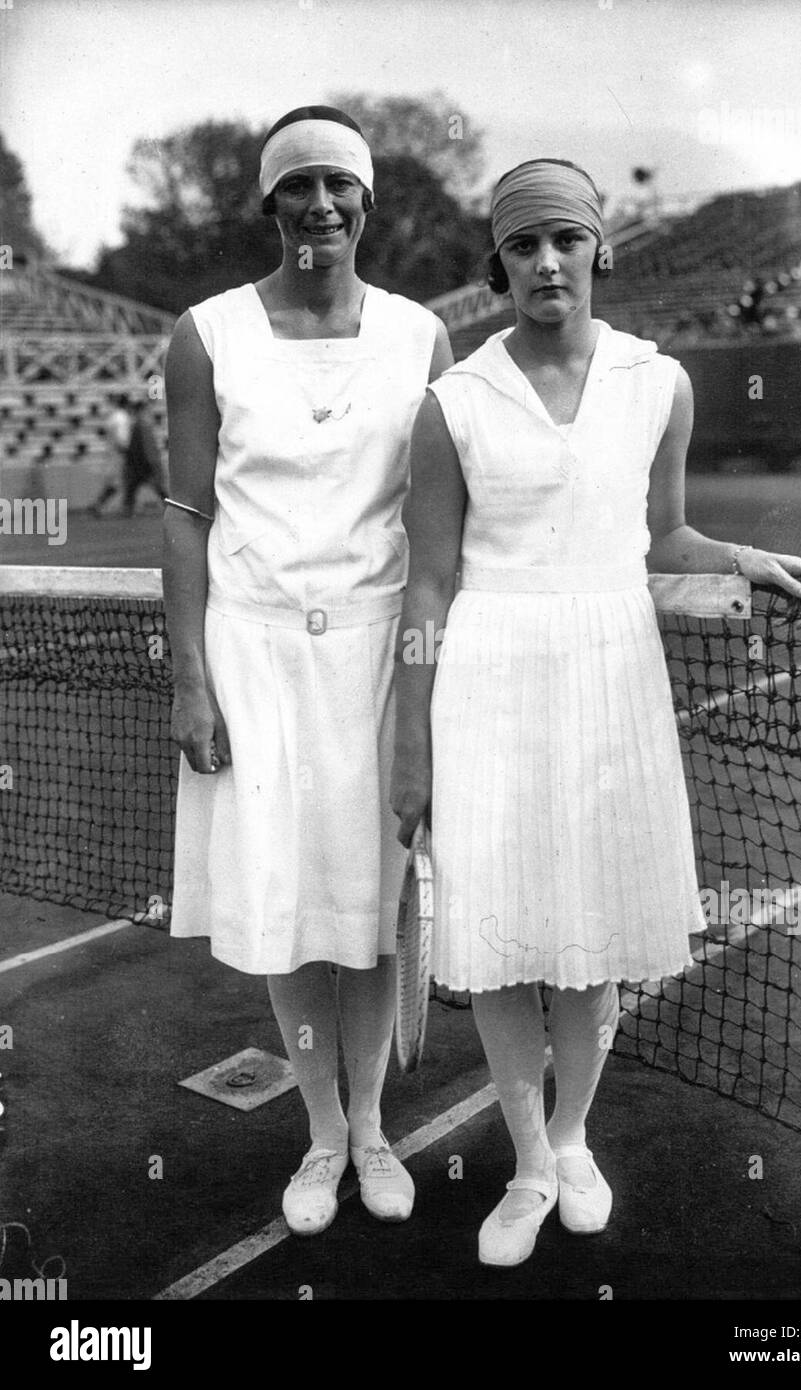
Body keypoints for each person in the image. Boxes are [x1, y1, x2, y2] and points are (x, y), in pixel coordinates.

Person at [391, 158, 801, 1268]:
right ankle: (527, 1160)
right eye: (523, 245)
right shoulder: (451, 403)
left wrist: (736, 554)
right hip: (487, 673)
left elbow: (662, 534)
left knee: (588, 942)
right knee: (498, 941)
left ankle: (573, 1137)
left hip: (611, 671)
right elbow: (428, 585)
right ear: (499, 264)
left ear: (597, 250)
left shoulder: (657, 380)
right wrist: (412, 740)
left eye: (564, 242)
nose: (545, 263)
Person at [163, 106, 452, 1237]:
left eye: (340, 185)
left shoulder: (423, 334)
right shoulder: (205, 332)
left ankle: (372, 1126)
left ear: (367, 203)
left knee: (370, 911)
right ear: (270, 204)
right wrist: (190, 676)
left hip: (382, 654)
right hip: (253, 651)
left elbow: (436, 532)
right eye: (299, 187)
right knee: (286, 913)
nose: (320, 206)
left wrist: (433, 683)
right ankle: (321, 1135)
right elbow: (185, 513)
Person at [88, 393, 131, 516]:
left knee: (117, 483)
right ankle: (100, 505)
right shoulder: (122, 417)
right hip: (119, 454)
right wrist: (127, 452)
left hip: (112, 453)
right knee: (119, 482)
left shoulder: (114, 416)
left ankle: (100, 504)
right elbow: (122, 439)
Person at [122, 400, 166, 516]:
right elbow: (146, 446)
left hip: (141, 463)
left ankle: (128, 509)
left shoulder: (140, 425)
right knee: (154, 487)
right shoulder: (142, 425)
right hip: (143, 462)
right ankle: (128, 508)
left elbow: (140, 446)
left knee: (134, 487)